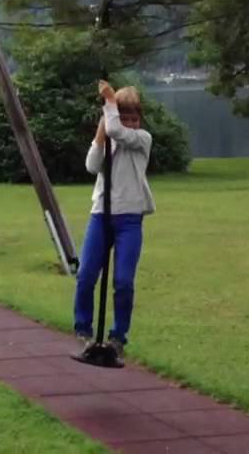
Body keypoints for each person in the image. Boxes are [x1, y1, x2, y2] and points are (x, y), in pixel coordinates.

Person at [73, 79, 154, 364]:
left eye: (135, 118)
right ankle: (83, 331)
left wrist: (110, 103)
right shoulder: (110, 139)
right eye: (125, 117)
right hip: (101, 216)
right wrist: (100, 132)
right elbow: (91, 166)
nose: (131, 123)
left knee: (123, 281)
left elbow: (119, 131)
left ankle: (118, 337)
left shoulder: (141, 139)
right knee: (85, 276)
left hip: (129, 219)